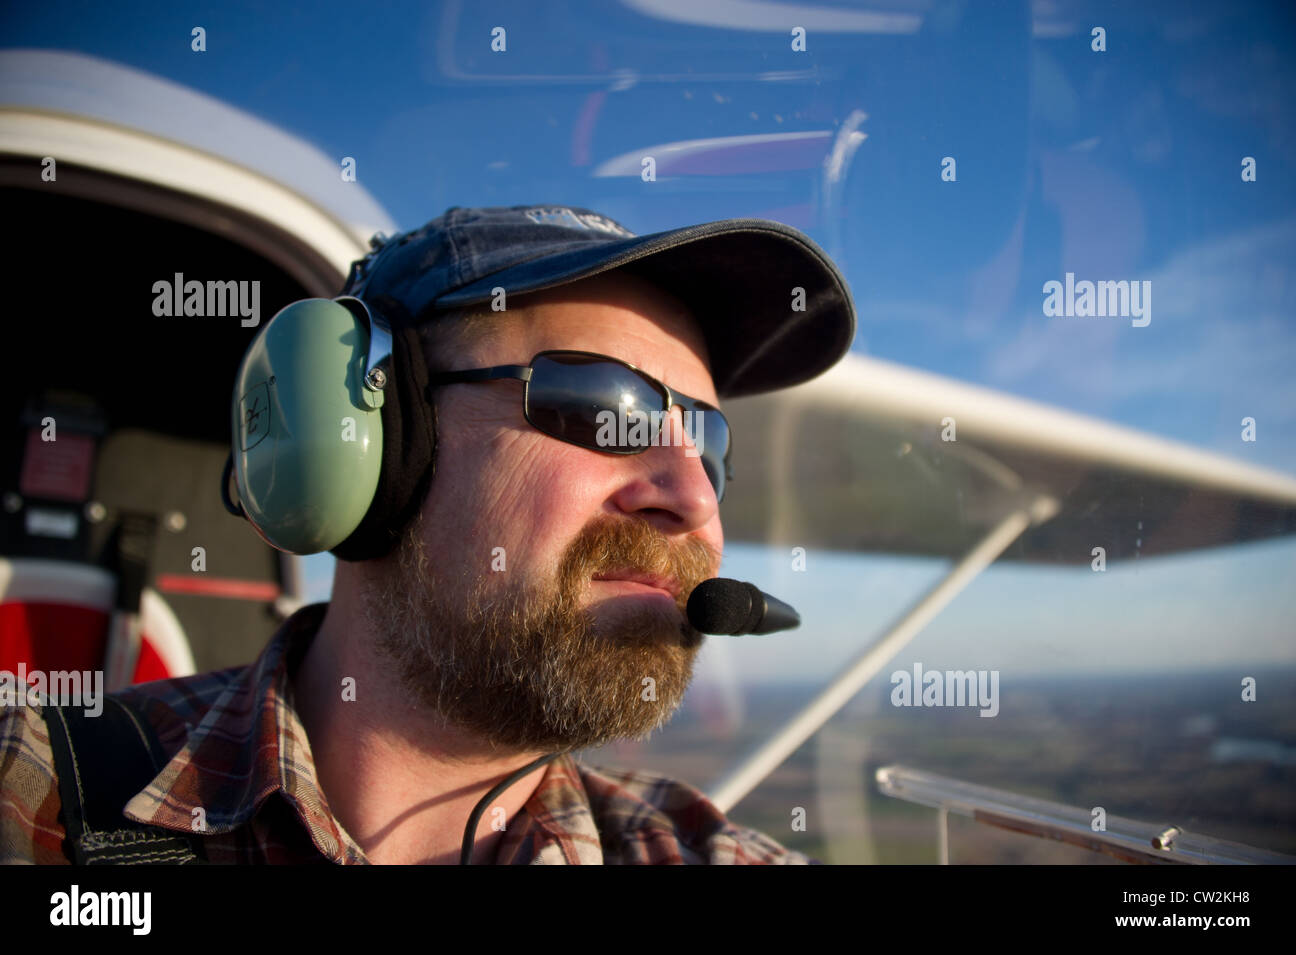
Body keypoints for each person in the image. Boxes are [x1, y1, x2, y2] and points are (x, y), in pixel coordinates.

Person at [0, 205, 855, 865]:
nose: (692, 499)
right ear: (368, 440)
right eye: (605, 405)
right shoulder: (34, 796)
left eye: (710, 442)